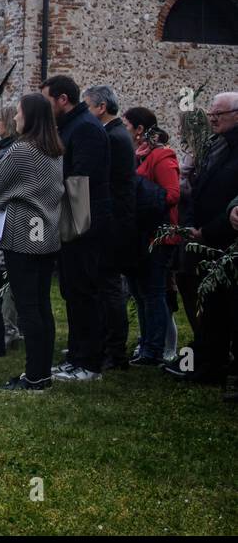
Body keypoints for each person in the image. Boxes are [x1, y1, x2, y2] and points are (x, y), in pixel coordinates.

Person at [0, 93, 65, 391]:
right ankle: (42, 371)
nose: (15, 118)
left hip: (22, 235)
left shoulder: (20, 151)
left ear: (29, 116)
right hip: (47, 233)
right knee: (42, 305)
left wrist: (12, 197)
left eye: (17, 113)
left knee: (28, 308)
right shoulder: (55, 151)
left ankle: (34, 377)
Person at [164, 91, 238, 387]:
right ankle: (208, 363)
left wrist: (209, 230)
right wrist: (193, 225)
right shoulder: (216, 145)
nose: (212, 118)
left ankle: (218, 364)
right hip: (203, 237)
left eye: (218, 114)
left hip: (225, 239)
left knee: (225, 307)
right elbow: (197, 186)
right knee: (208, 306)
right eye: (210, 114)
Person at [42, 74, 112, 383]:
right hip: (71, 219)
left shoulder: (85, 128)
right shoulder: (71, 126)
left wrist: (70, 226)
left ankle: (89, 362)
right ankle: (76, 355)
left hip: (82, 220)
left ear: (62, 99)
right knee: (72, 291)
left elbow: (80, 179)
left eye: (47, 101)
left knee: (84, 291)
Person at [83, 85, 136, 371]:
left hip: (113, 222)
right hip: (114, 219)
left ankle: (115, 350)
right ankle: (105, 344)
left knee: (110, 287)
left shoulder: (113, 137)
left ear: (101, 107)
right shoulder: (116, 134)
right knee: (105, 286)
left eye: (88, 106)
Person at [122, 107, 179, 366]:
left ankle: (154, 349)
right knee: (139, 292)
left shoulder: (162, 155)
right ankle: (145, 343)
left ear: (140, 130)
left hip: (157, 235)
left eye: (126, 125)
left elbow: (172, 194)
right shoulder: (137, 157)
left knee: (153, 293)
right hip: (137, 235)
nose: (123, 129)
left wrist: (142, 198)